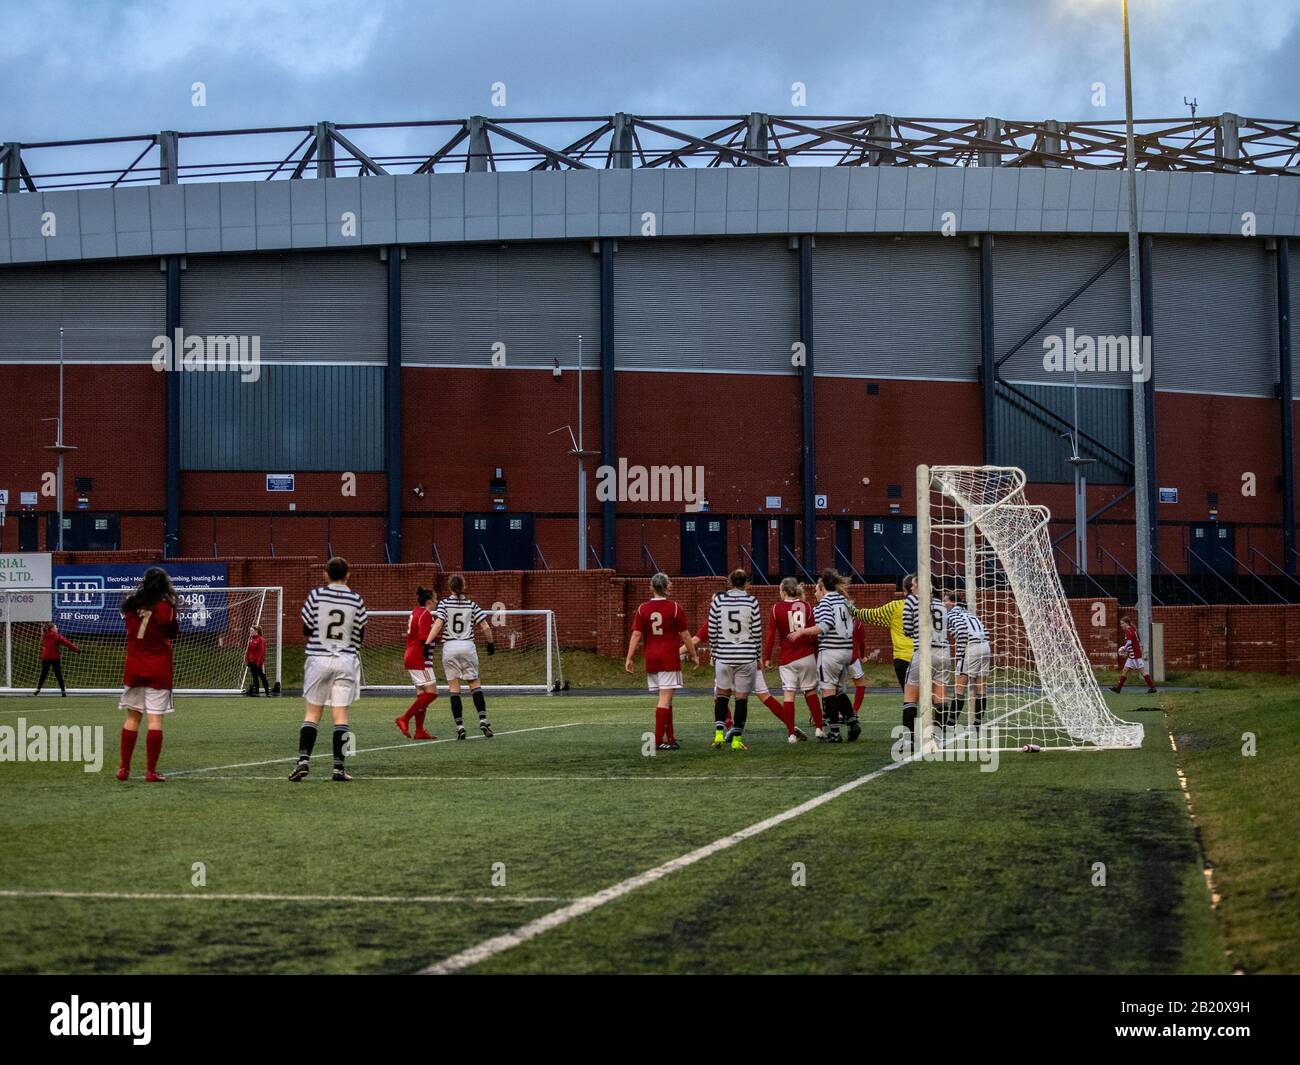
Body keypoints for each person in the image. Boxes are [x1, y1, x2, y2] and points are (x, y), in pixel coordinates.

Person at [290, 557, 367, 782]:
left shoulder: (316, 595)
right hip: (345, 658)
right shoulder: (356, 600)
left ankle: (303, 760)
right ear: (348, 574)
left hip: (318, 657)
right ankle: (338, 768)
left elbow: (306, 628)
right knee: (340, 715)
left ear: (325, 574)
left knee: (313, 713)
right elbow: (360, 633)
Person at [116, 568, 180, 782]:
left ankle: (123, 769)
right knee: (154, 720)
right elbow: (172, 631)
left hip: (134, 666)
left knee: (132, 718)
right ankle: (151, 772)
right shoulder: (164, 605)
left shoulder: (131, 605)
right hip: (158, 667)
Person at [625, 572, 697, 751]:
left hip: (652, 657)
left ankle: (670, 738)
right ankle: (656, 741)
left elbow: (636, 634)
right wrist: (694, 654)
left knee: (667, 698)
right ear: (666, 587)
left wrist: (629, 657)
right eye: (670, 583)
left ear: (652, 587)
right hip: (668, 658)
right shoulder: (674, 608)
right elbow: (685, 635)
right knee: (664, 699)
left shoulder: (643, 608)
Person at [789, 569, 858, 742]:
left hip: (831, 652)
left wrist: (801, 632)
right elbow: (855, 620)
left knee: (828, 691)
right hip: (846, 650)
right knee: (840, 690)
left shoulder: (826, 602)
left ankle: (834, 733)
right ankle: (852, 722)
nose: (815, 593)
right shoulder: (844, 601)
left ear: (822, 588)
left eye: (816, 589)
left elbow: (824, 626)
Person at [429, 575, 495, 740]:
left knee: (454, 688)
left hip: (450, 647)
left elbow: (438, 624)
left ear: (450, 587)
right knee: (474, 684)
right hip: (467, 646)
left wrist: (427, 642)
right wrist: (490, 643)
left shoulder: (444, 604)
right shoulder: (472, 605)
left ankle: (460, 726)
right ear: (463, 587)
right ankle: (483, 719)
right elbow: (485, 626)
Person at [705, 570, 763, 751]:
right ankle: (737, 740)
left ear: (730, 582)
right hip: (746, 655)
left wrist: (715, 652)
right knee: (741, 698)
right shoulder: (752, 601)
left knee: (722, 695)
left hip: (724, 655)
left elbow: (712, 630)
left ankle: (719, 735)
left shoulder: (719, 601)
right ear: (746, 583)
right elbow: (757, 632)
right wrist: (758, 654)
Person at [764, 577, 823, 740]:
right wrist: (816, 655)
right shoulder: (806, 606)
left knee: (789, 694)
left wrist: (766, 657)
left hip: (787, 658)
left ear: (783, 591)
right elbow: (813, 633)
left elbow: (770, 634)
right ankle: (819, 728)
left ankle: (791, 734)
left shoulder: (776, 608)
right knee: (811, 692)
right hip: (806, 655)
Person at [901, 574, 949, 752]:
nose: (911, 588)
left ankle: (908, 741)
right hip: (944, 652)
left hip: (923, 650)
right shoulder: (941, 604)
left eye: (914, 585)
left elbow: (907, 628)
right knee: (941, 698)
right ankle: (937, 739)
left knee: (910, 697)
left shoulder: (913, 600)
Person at [850, 576, 915, 691]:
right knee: (932, 696)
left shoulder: (896, 606)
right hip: (924, 657)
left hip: (903, 657)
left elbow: (870, 615)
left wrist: (852, 610)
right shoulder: (927, 607)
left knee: (909, 697)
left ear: (904, 589)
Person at [395, 585, 439, 741]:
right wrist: (440, 637)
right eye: (435, 598)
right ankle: (404, 718)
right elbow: (423, 636)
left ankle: (419, 731)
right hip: (419, 657)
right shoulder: (426, 614)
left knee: (422, 695)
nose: (436, 601)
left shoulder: (416, 612)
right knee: (432, 693)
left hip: (412, 655)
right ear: (429, 601)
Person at [943, 593, 990, 731]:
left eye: (945, 601)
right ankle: (977, 724)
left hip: (971, 648)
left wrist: (959, 656)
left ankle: (950, 724)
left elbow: (962, 633)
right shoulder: (970, 614)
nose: (943, 603)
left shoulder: (952, 615)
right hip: (985, 646)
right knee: (981, 687)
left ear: (952, 602)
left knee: (959, 687)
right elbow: (985, 631)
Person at [1110, 614, 1158, 695]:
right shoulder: (1130, 630)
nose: (1121, 625)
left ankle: (1152, 688)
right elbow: (1132, 643)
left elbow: (1129, 642)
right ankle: (1118, 688)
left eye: (1122, 623)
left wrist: (1124, 649)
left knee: (1143, 671)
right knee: (1125, 670)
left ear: (1127, 623)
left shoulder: (1129, 631)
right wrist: (1127, 651)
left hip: (1135, 655)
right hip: (1132, 656)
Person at [34, 622, 79, 697]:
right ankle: (63, 690)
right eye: (56, 627)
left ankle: (38, 689)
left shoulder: (44, 635)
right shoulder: (57, 636)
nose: (57, 628)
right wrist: (76, 650)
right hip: (55, 657)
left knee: (43, 674)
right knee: (58, 674)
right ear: (52, 629)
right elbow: (67, 644)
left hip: (45, 657)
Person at [244, 625, 270, 696]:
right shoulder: (250, 640)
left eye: (251, 630)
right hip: (251, 662)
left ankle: (267, 692)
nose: (250, 632)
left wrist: (259, 662)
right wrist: (247, 659)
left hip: (258, 662)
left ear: (256, 631)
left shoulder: (261, 639)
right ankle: (257, 692)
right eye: (250, 631)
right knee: (254, 677)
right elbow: (248, 651)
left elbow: (262, 652)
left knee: (262, 676)